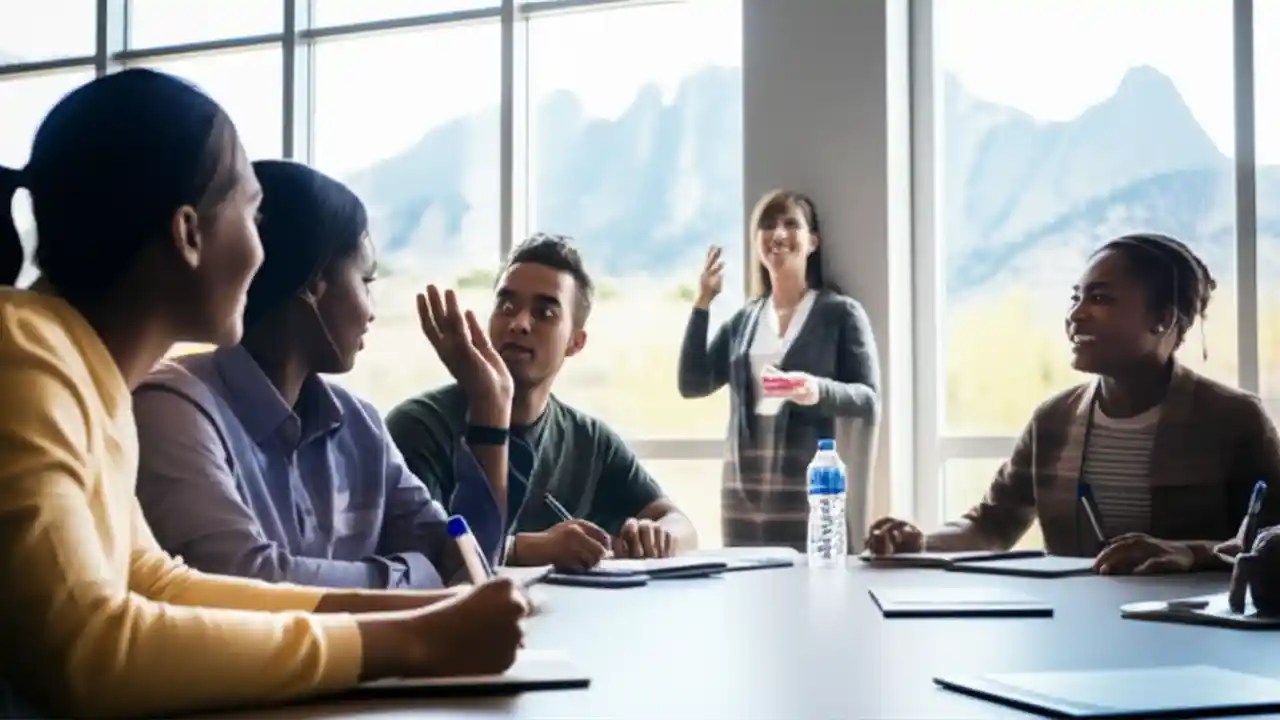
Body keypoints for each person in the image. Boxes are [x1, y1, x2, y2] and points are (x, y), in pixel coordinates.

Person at [0, 69, 525, 719]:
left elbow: (158, 583)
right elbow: (88, 649)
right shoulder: (25, 362)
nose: (263, 251)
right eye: (252, 213)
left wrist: (427, 612)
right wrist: (411, 639)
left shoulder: (88, 378)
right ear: (189, 234)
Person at [133, 159, 508, 589]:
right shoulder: (173, 408)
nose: (371, 311)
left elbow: (463, 562)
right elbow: (244, 582)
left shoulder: (360, 424)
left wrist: (489, 409)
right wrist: (412, 575)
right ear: (314, 285)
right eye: (366, 281)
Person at [867, 233, 1280, 574]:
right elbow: (991, 525)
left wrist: (1191, 553)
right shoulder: (1053, 420)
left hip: (1195, 629)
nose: (1076, 314)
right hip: (1072, 625)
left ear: (1164, 319)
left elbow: (1273, 540)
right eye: (1076, 297)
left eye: (1100, 299)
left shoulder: (1234, 419)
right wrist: (921, 543)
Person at [387, 233, 697, 571]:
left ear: (575, 342)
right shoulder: (419, 427)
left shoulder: (590, 441)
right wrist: (529, 549)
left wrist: (659, 535)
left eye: (545, 313)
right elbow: (422, 551)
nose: (519, 324)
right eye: (507, 307)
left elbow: (680, 523)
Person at [677, 189, 880, 550]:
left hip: (813, 495)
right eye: (768, 225)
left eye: (791, 224)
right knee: (750, 584)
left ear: (812, 242)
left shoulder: (840, 314)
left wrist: (816, 389)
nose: (778, 234)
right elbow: (692, 383)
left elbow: (867, 398)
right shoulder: (743, 322)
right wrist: (703, 302)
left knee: (817, 581)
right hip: (744, 497)